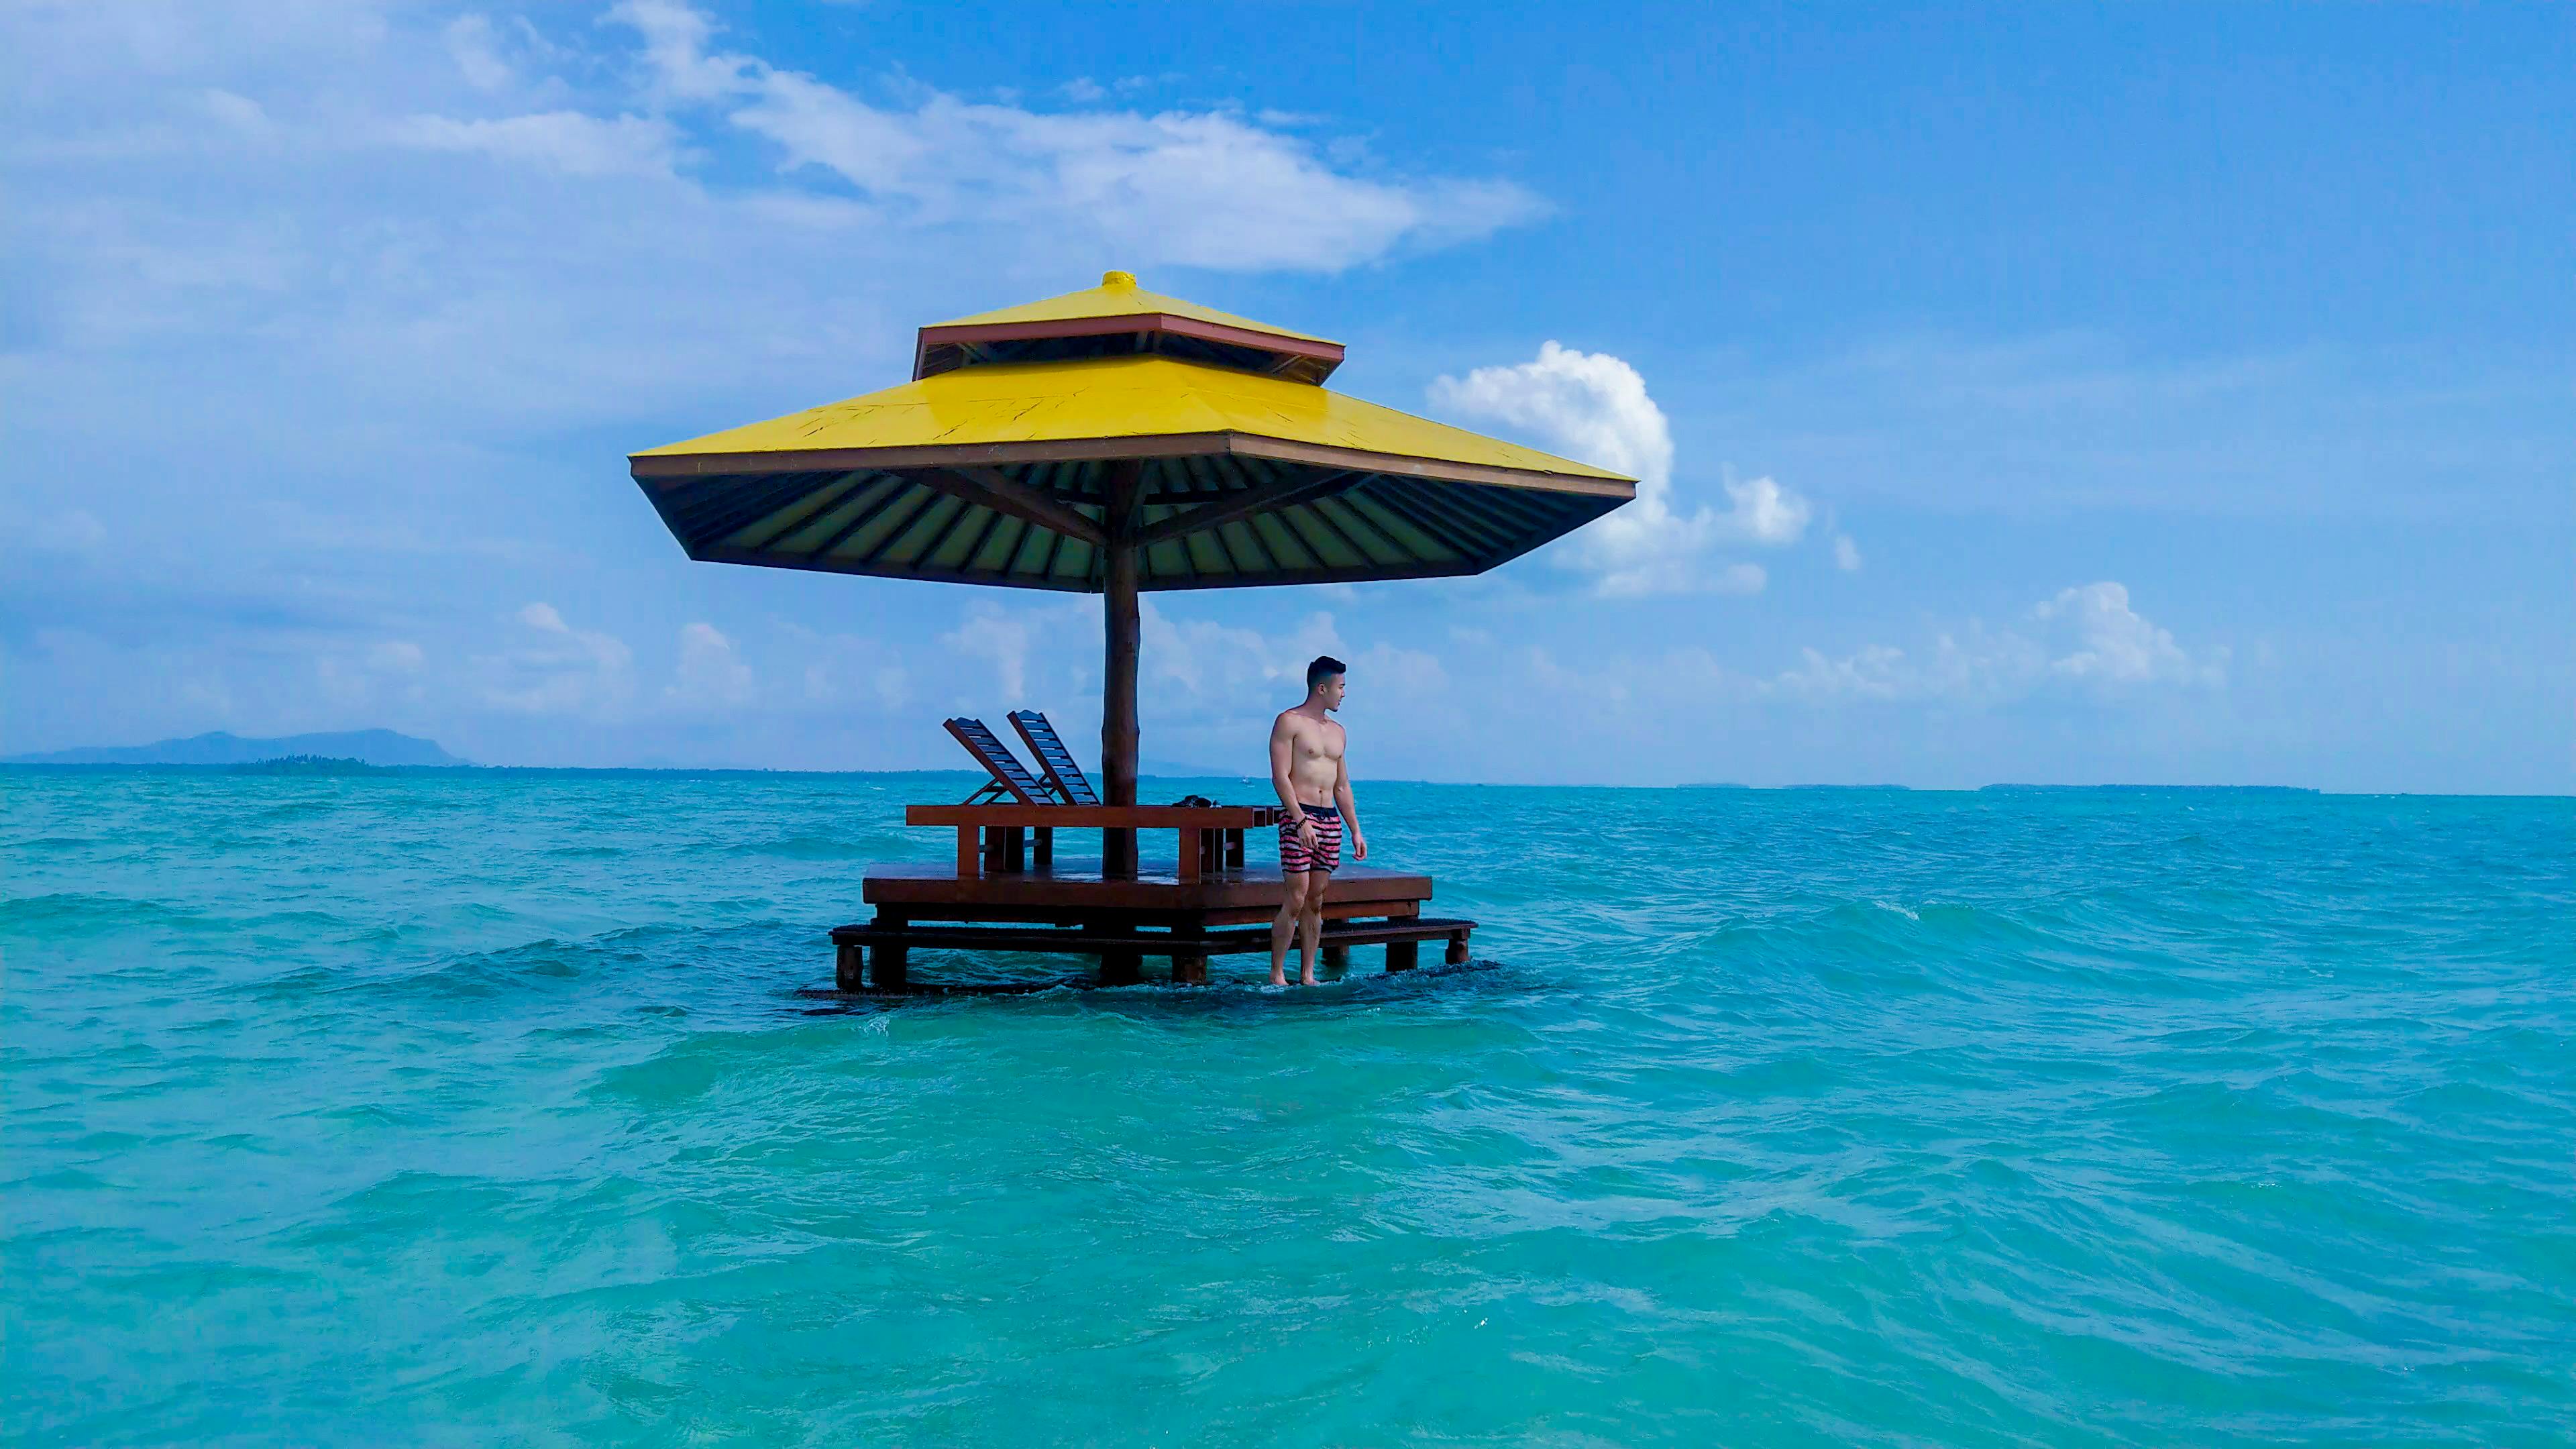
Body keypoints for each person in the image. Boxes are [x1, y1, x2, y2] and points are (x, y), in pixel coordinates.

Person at [1268, 655, 1366, 986]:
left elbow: (1342, 785)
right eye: (1340, 687)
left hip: (1329, 821)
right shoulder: (1289, 722)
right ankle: (1277, 974)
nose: (1344, 694)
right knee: (1296, 897)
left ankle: (1308, 975)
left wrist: (1355, 830)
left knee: (1316, 900)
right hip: (1300, 818)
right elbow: (1280, 777)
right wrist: (1299, 821)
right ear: (1321, 688)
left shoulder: (1339, 733)